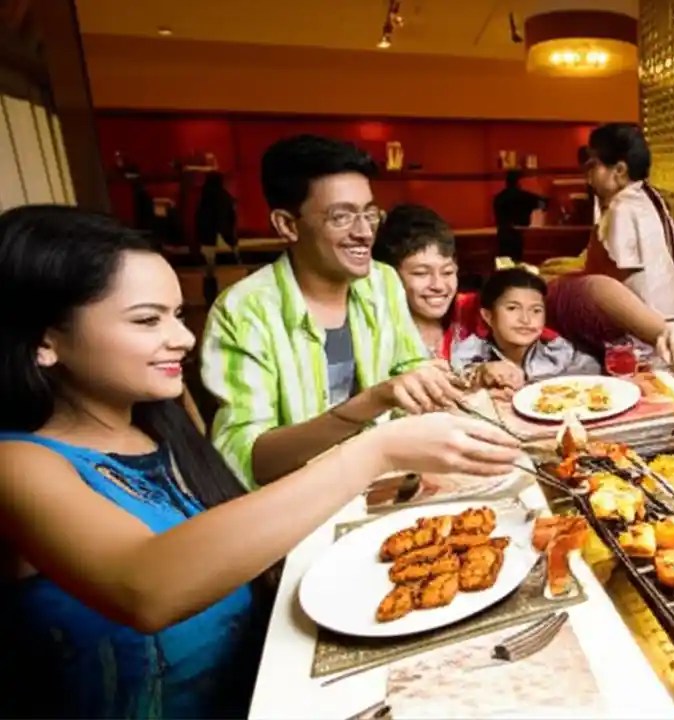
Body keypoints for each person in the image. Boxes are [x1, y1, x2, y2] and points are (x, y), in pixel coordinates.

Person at [0, 206, 520, 718]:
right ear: (45, 340)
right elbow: (146, 586)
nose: (183, 338)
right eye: (146, 320)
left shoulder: (158, 423)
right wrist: (375, 449)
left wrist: (390, 473)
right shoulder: (18, 464)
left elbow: (238, 536)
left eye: (178, 316)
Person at [201, 135, 461, 489]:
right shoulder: (245, 311)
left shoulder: (381, 281)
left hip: (385, 484)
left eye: (370, 213)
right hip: (300, 505)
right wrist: (370, 402)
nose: (365, 232)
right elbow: (246, 458)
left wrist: (459, 386)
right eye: (342, 217)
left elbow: (410, 370)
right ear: (287, 225)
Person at [373, 203, 674, 374]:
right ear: (389, 275)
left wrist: (663, 330)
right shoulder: (374, 332)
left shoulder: (473, 309)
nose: (438, 286)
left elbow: (584, 292)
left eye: (447, 272)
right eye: (420, 273)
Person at [583, 123, 674, 321]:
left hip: (644, 327)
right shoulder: (650, 196)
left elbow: (615, 278)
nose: (589, 178)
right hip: (672, 315)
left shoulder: (622, 207)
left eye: (594, 165)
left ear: (620, 170)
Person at [452, 268, 600, 396]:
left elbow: (593, 371)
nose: (526, 319)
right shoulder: (470, 352)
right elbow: (454, 375)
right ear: (488, 316)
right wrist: (481, 374)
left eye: (536, 310)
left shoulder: (557, 353)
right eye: (512, 308)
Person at [492, 170, 546, 262]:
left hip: (503, 234)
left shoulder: (499, 198)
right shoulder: (524, 197)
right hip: (518, 233)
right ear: (519, 182)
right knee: (516, 261)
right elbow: (543, 203)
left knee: (504, 262)